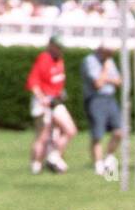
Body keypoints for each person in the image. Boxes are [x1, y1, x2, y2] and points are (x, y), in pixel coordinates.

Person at [25, 35, 75, 174]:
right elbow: (33, 82)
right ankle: (36, 165)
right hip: (44, 102)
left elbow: (57, 83)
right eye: (58, 47)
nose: (60, 51)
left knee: (69, 129)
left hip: (56, 102)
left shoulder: (59, 61)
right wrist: (42, 98)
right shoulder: (44, 59)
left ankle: (54, 156)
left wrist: (60, 93)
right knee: (43, 135)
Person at [82, 42, 124, 177]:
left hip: (110, 98)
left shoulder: (110, 61)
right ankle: (98, 164)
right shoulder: (90, 61)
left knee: (119, 131)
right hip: (96, 99)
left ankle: (109, 157)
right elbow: (98, 83)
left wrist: (107, 78)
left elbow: (119, 81)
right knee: (97, 134)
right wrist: (105, 70)